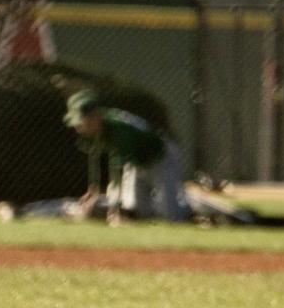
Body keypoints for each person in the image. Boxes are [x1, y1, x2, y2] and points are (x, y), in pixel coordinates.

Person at [62, 89, 190, 222]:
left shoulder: (120, 130)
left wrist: (114, 210)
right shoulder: (95, 129)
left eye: (80, 122)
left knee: (170, 214)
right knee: (136, 209)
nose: (77, 127)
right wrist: (93, 189)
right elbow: (94, 156)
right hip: (136, 161)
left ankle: (193, 211)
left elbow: (116, 171)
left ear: (95, 116)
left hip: (161, 157)